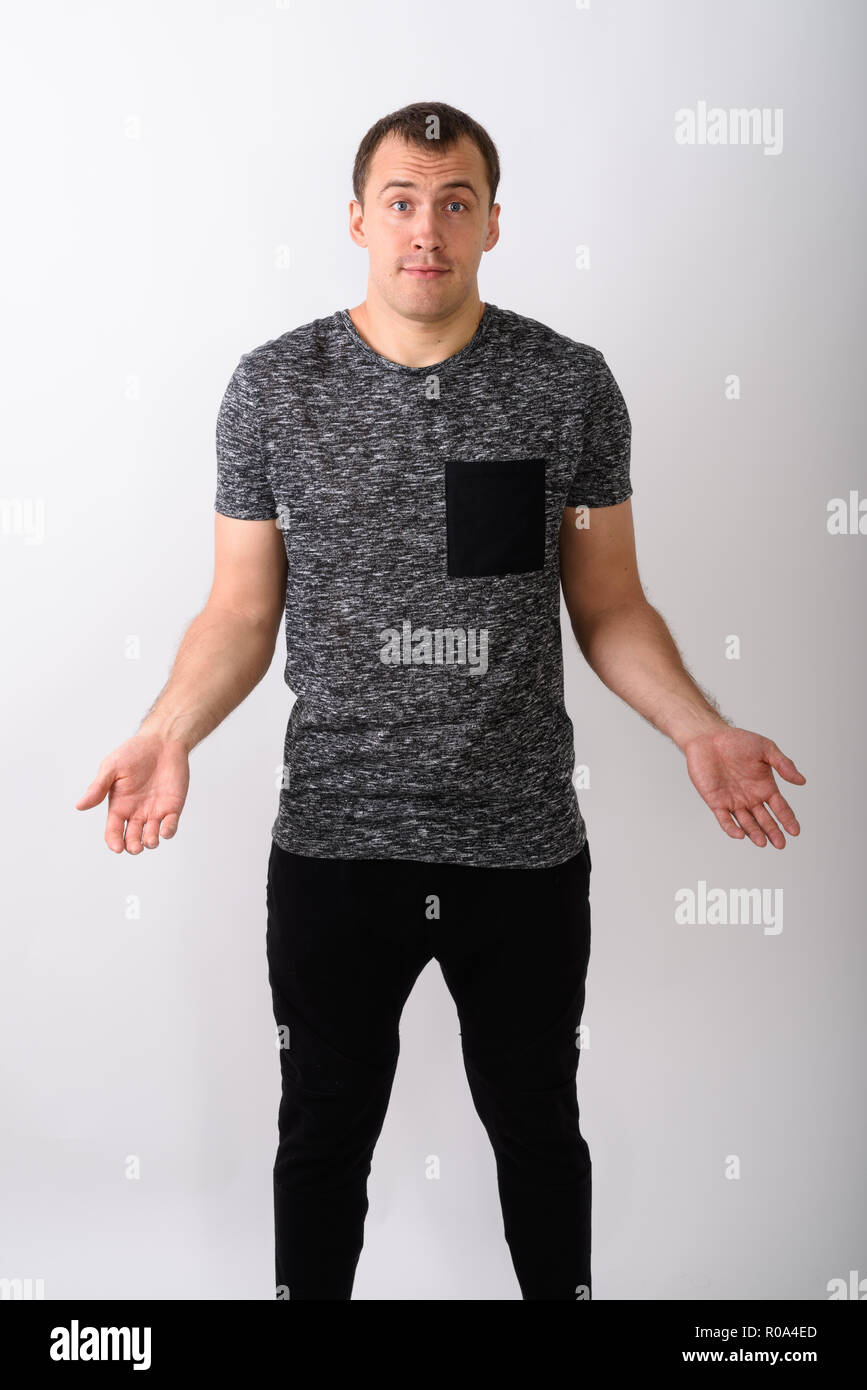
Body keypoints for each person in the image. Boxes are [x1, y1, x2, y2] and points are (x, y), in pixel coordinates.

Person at [75, 101, 806, 1300]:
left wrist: (701, 727)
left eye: (455, 201)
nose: (428, 228)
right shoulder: (273, 389)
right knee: (322, 1138)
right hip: (337, 838)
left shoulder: (567, 385)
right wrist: (165, 729)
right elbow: (241, 610)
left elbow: (611, 606)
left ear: (493, 223)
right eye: (403, 202)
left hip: (518, 845)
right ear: (359, 219)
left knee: (537, 1132)